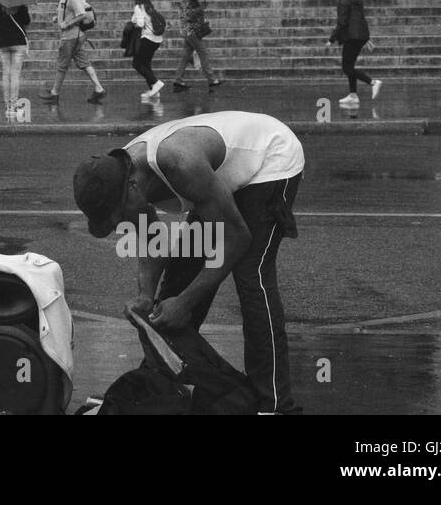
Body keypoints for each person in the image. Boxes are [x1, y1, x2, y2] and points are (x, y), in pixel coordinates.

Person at [73, 111, 305, 414]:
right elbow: (151, 238)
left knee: (251, 274)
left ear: (132, 187)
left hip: (269, 160)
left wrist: (185, 303)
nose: (120, 225)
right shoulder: (120, 174)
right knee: (182, 272)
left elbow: (236, 238)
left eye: (119, 217)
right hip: (215, 182)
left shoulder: (179, 164)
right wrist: (146, 295)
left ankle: (275, 405)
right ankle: (158, 380)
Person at [39, 0, 106, 104]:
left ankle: (54, 93)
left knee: (61, 65)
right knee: (84, 63)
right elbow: (67, 12)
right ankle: (99, 89)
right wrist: (57, 18)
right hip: (76, 36)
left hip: (71, 37)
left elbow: (82, 15)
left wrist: (67, 24)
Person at [327, 0, 380, 108]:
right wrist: (366, 38)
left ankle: (372, 82)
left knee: (347, 67)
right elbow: (360, 20)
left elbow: (342, 22)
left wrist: (331, 39)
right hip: (360, 36)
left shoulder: (344, 1)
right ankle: (353, 95)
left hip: (351, 37)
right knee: (350, 66)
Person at [172, 0, 222, 92]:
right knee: (203, 53)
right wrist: (200, 9)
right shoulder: (189, 2)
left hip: (188, 32)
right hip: (191, 32)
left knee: (185, 56)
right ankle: (211, 79)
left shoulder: (190, 1)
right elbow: (187, 16)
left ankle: (178, 79)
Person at [0, 1, 30, 116]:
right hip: (18, 42)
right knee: (15, 76)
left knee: (5, 74)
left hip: (3, 43)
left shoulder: (0, 7)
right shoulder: (21, 5)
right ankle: (14, 106)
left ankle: (7, 106)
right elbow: (27, 21)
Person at [130, 0, 166, 101]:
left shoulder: (138, 7)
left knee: (137, 63)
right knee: (146, 64)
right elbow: (138, 19)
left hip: (147, 39)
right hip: (156, 40)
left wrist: (134, 25)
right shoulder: (149, 6)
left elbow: (140, 24)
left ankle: (155, 83)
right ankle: (154, 90)